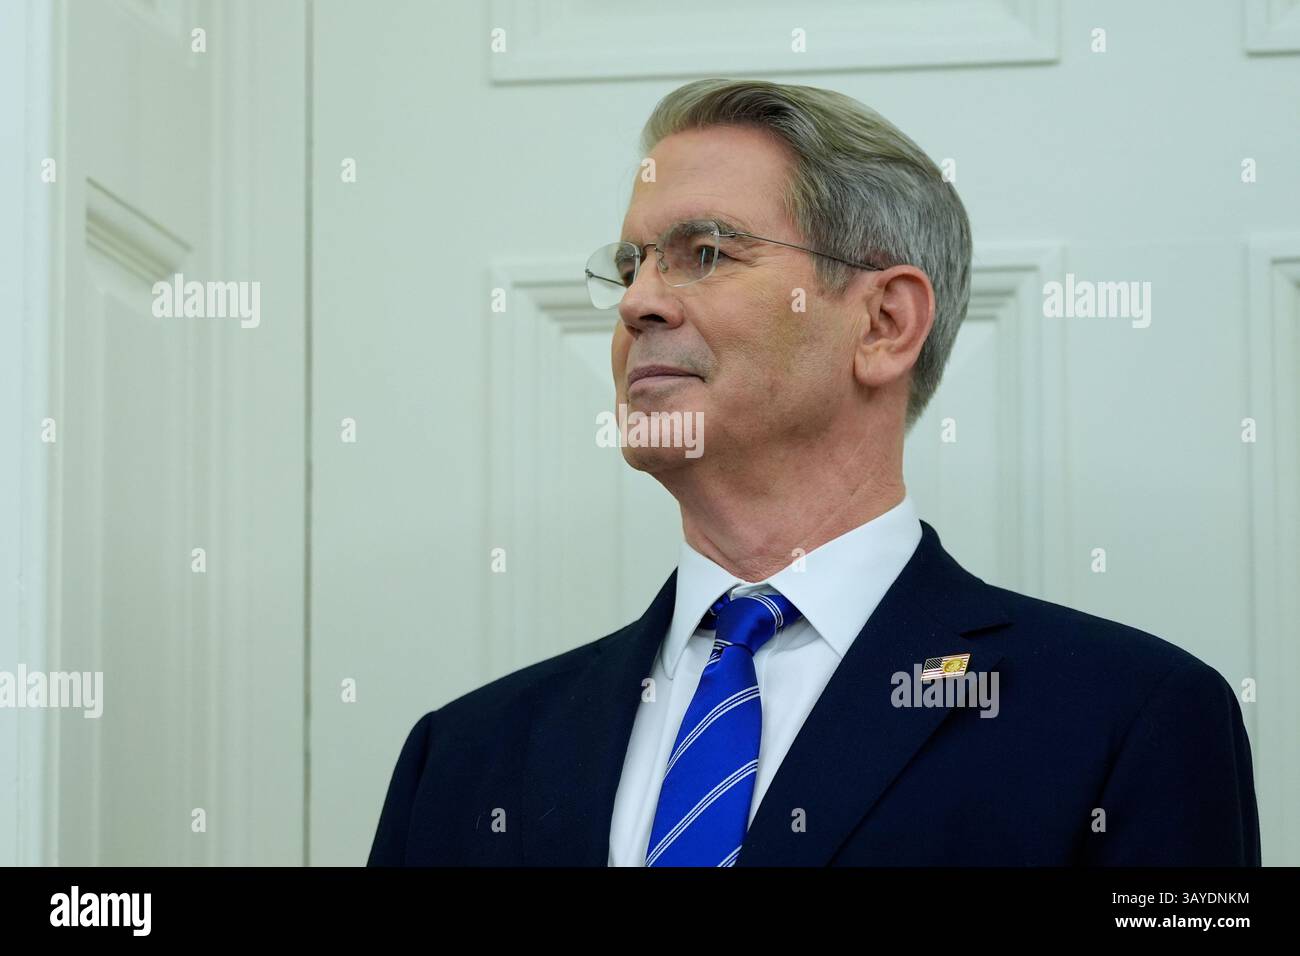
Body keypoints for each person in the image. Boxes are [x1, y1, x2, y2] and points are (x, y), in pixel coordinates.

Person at [368, 78, 1260, 866]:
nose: (639, 300)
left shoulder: (1127, 720)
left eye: (705, 253)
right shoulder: (465, 756)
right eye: (630, 264)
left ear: (884, 325)